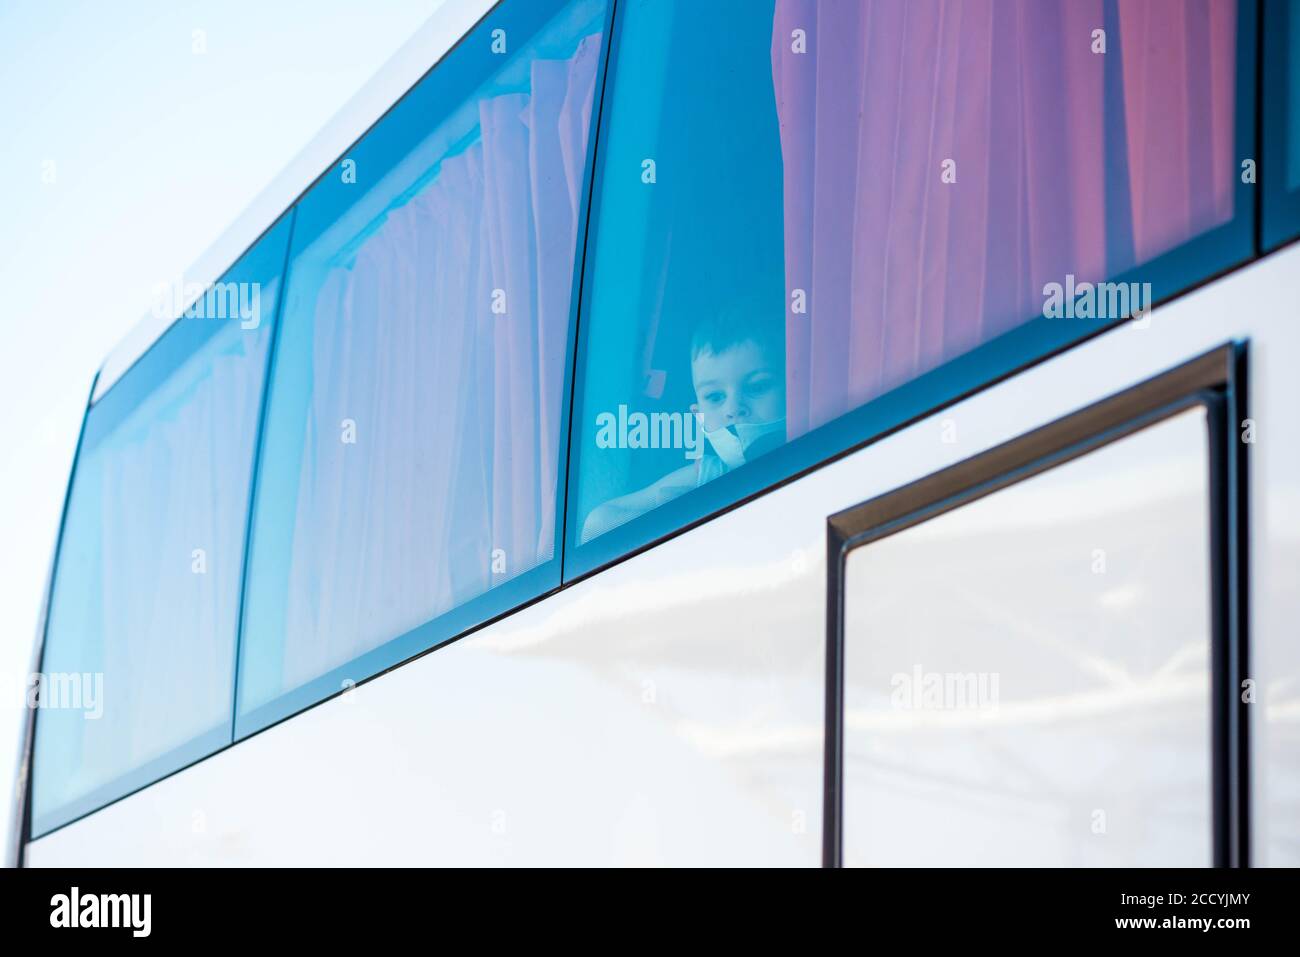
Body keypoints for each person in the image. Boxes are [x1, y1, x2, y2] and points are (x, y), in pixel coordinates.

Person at [581, 305, 786, 541]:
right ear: (699, 416)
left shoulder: (809, 448)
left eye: (757, 386)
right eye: (715, 397)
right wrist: (679, 510)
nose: (733, 409)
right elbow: (597, 524)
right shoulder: (710, 475)